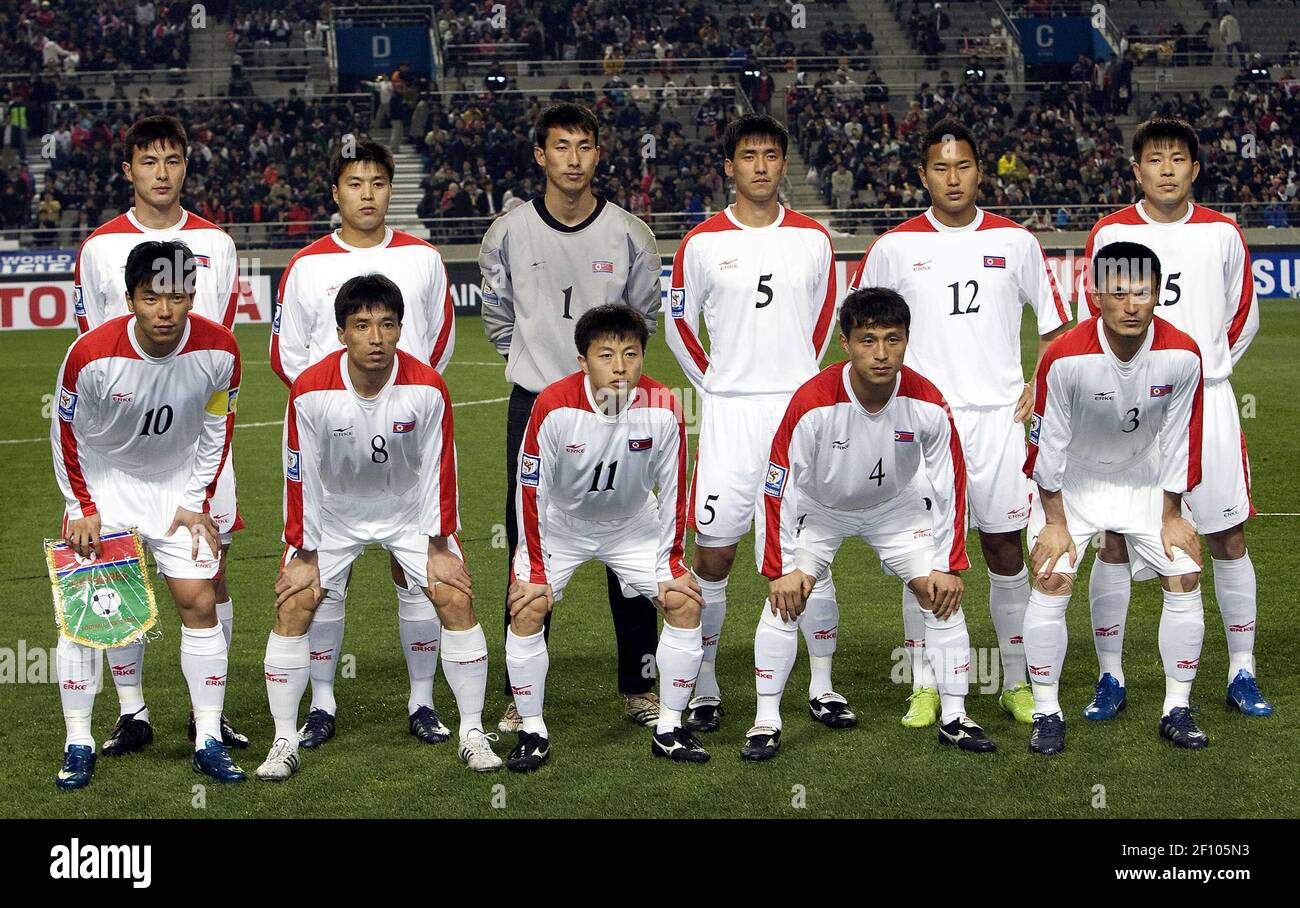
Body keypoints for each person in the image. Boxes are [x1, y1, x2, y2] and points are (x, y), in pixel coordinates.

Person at [848, 119, 1071, 728]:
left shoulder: (1017, 241)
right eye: (941, 168)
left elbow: (1057, 329)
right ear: (923, 176)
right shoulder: (894, 247)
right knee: (922, 557)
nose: (953, 178)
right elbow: (863, 328)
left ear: (980, 170)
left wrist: (1037, 384)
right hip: (920, 424)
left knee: (1005, 550)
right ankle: (926, 686)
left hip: (999, 422)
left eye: (964, 166)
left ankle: (1016, 682)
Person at [257, 274, 498, 780]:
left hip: (407, 509)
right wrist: (303, 552)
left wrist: (439, 545)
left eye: (387, 325)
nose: (376, 337)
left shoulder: (427, 386)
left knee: (453, 596)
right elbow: (297, 469)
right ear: (342, 332)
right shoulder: (310, 390)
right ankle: (285, 739)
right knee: (296, 601)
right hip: (335, 510)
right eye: (362, 325)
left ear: (400, 330)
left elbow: (441, 466)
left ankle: (471, 730)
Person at [743, 287, 994, 760]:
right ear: (846, 343)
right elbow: (777, 485)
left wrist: (949, 562)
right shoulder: (812, 402)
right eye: (868, 340)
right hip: (819, 510)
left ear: (906, 340)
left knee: (940, 595)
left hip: (894, 508)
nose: (881, 354)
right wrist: (778, 568)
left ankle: (956, 716)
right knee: (787, 599)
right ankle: (766, 720)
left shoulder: (927, 401)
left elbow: (951, 482)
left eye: (893, 340)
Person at [480, 103, 665, 733]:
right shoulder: (506, 232)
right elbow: (499, 319)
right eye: (562, 147)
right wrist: (544, 373)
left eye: (585, 146)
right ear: (541, 155)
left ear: (598, 153)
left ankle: (640, 686)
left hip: (617, 406)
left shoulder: (631, 234)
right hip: (536, 406)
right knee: (529, 545)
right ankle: (519, 692)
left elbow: (644, 319)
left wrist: (604, 376)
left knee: (632, 537)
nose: (574, 158)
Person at [270, 137, 458, 751]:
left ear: (390, 190)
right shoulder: (307, 266)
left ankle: (423, 701)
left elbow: (439, 343)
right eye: (355, 184)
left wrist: (395, 399)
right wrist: (339, 402)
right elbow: (287, 355)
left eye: (378, 183)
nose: (367, 195)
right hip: (328, 442)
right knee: (324, 577)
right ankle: (321, 703)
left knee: (419, 576)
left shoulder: (424, 260)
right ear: (336, 193)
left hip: (407, 437)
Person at [1079, 117, 1270, 719]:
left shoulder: (1222, 233)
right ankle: (1111, 677)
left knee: (1225, 536)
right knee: (1113, 539)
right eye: (1155, 159)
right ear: (1136, 170)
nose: (1167, 168)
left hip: (1206, 402)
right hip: (1127, 407)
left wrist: (1199, 370)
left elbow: (1242, 317)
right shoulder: (1111, 231)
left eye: (1178, 158)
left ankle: (1243, 670)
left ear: (1194, 168)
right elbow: (1099, 314)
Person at [72, 114, 247, 754]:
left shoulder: (218, 244)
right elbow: (94, 345)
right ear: (129, 170)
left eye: (173, 160)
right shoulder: (99, 248)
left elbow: (216, 349)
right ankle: (132, 712)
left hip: (193, 441)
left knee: (210, 573)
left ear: (185, 166)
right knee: (118, 573)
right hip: (120, 445)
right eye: (150, 161)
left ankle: (213, 717)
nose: (163, 172)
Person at [665, 114, 842, 735]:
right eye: (749, 155)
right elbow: (678, 326)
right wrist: (717, 384)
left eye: (771, 154)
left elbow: (825, 320)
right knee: (713, 555)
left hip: (797, 418)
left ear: (783, 163)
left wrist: (799, 386)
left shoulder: (815, 240)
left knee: (809, 552)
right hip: (730, 415)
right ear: (729, 167)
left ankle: (821, 686)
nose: (761, 165)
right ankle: (707, 687)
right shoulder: (701, 243)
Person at [52, 240, 245, 788]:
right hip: (105, 486)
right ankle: (79, 741)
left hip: (176, 489)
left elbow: (216, 429)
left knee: (198, 600)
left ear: (192, 294)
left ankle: (207, 736)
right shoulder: (90, 354)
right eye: (151, 297)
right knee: (90, 619)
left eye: (178, 296)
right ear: (131, 297)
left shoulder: (221, 350)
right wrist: (81, 506)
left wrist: (195, 499)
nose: (166, 311)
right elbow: (65, 432)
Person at [1024, 240, 1207, 755]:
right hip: (1073, 482)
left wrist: (1172, 514)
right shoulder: (1064, 358)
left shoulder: (1182, 353)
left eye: (1142, 292)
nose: (1131, 305)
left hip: (1143, 478)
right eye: (1119, 292)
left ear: (1158, 294)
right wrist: (1055, 522)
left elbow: (1181, 438)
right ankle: (1046, 711)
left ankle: (1177, 707)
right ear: (1096, 293)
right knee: (1052, 575)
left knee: (1185, 569)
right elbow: (1045, 445)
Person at [506, 305, 704, 770]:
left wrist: (671, 559)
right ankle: (532, 731)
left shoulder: (664, 405)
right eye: (606, 355)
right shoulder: (553, 405)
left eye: (631, 354)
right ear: (582, 360)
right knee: (528, 605)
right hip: (564, 526)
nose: (619, 367)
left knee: (685, 601)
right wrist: (534, 568)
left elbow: (676, 489)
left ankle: (670, 728)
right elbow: (528, 489)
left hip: (633, 526)